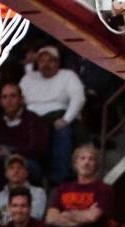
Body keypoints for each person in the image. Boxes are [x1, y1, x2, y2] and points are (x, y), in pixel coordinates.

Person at [19, 44, 84, 184]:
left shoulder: (67, 76)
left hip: (57, 118)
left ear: (58, 62)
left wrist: (66, 119)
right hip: (32, 120)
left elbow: (78, 98)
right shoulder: (30, 78)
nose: (45, 64)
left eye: (50, 60)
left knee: (63, 132)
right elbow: (19, 99)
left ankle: (58, 179)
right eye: (42, 61)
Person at [45, 143, 114, 227]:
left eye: (91, 159)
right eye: (82, 158)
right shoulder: (62, 189)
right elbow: (50, 218)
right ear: (75, 164)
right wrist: (82, 215)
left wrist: (66, 214)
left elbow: (92, 217)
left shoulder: (104, 189)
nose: (86, 162)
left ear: (96, 165)